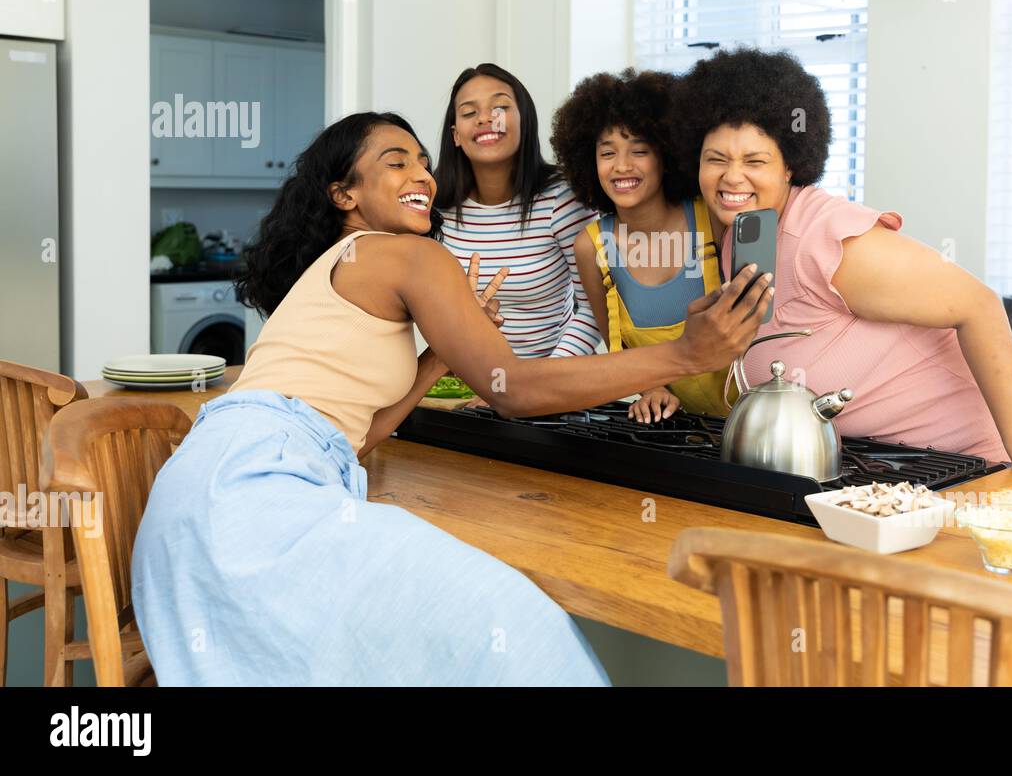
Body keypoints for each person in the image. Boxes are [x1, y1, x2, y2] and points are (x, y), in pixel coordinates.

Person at [131, 111, 772, 686]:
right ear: (344, 193)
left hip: (193, 501)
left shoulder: (340, 262)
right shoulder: (411, 255)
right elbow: (515, 392)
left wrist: (439, 354)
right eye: (396, 161)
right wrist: (685, 355)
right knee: (515, 624)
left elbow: (361, 431)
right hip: (260, 490)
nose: (423, 175)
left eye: (424, 161)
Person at [671, 47, 1012, 482]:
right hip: (895, 462)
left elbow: (978, 305)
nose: (732, 177)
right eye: (716, 160)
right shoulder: (743, 236)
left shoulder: (825, 238)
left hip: (984, 452)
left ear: (790, 167)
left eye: (755, 161)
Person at [552, 68, 730, 422]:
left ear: (666, 154)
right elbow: (620, 356)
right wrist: (651, 390)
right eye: (607, 153)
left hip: (749, 424)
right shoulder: (590, 248)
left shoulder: (712, 219)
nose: (622, 166)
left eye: (639, 150)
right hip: (676, 435)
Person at [433, 63, 602, 358]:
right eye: (470, 113)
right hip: (466, 386)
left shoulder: (562, 197)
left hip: (552, 382)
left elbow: (593, 308)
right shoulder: (436, 208)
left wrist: (540, 384)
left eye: (499, 107)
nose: (486, 118)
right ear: (456, 135)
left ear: (524, 121)